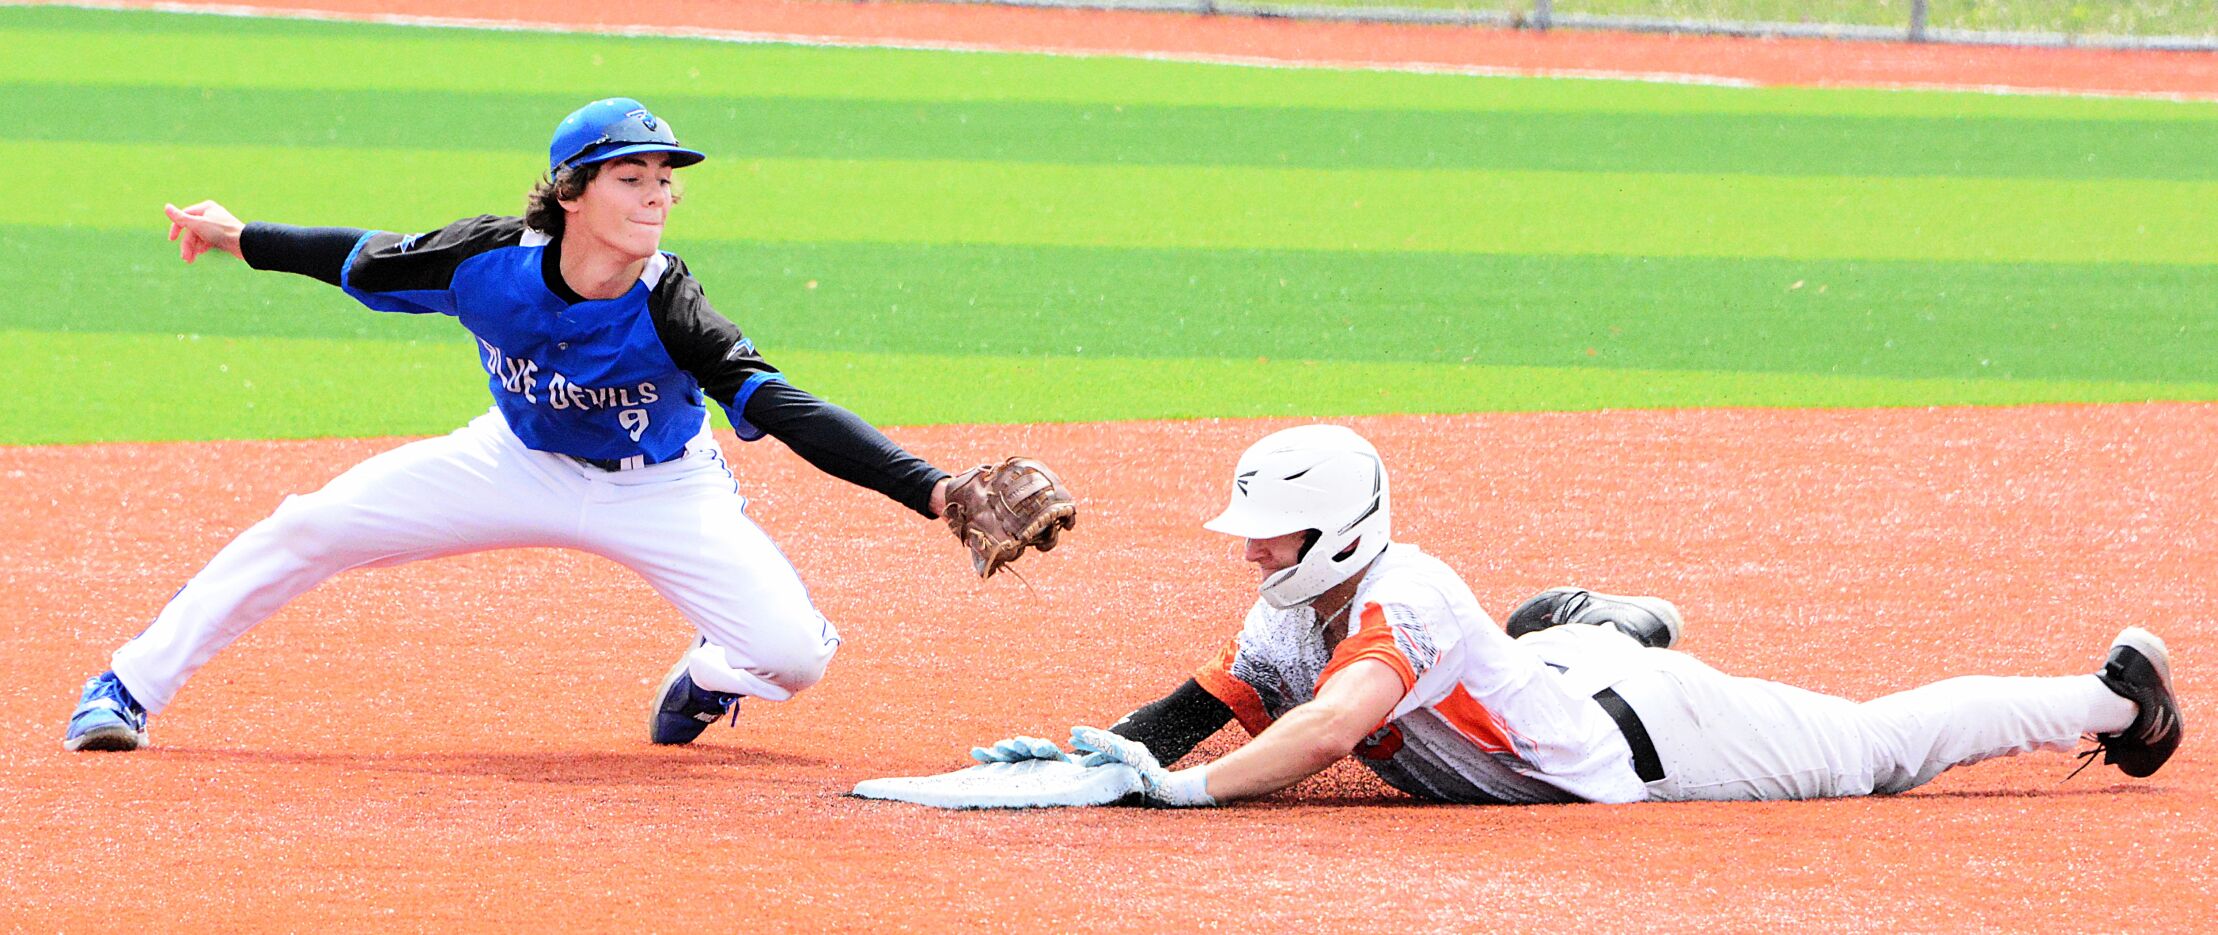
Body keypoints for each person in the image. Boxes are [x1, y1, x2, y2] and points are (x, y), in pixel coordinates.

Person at [63, 98, 1024, 751]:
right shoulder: (486, 262)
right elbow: (358, 255)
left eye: (665, 179)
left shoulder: (670, 301)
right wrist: (237, 235)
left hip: (662, 483)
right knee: (309, 524)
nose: (658, 194)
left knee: (795, 654)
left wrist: (932, 488)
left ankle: (710, 671)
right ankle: (126, 689)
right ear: (571, 191)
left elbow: (782, 403)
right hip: (511, 459)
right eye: (630, 177)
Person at [973, 424, 2183, 806]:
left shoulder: (1400, 594)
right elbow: (1215, 701)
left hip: (1659, 730)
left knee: (1873, 752)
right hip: (1537, 670)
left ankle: (2115, 695)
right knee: (1522, 654)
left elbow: (1335, 728)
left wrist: (1176, 790)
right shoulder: (1299, 612)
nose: (1251, 554)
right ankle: (1587, 620)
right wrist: (1112, 753)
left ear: (1335, 527)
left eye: (1268, 536)